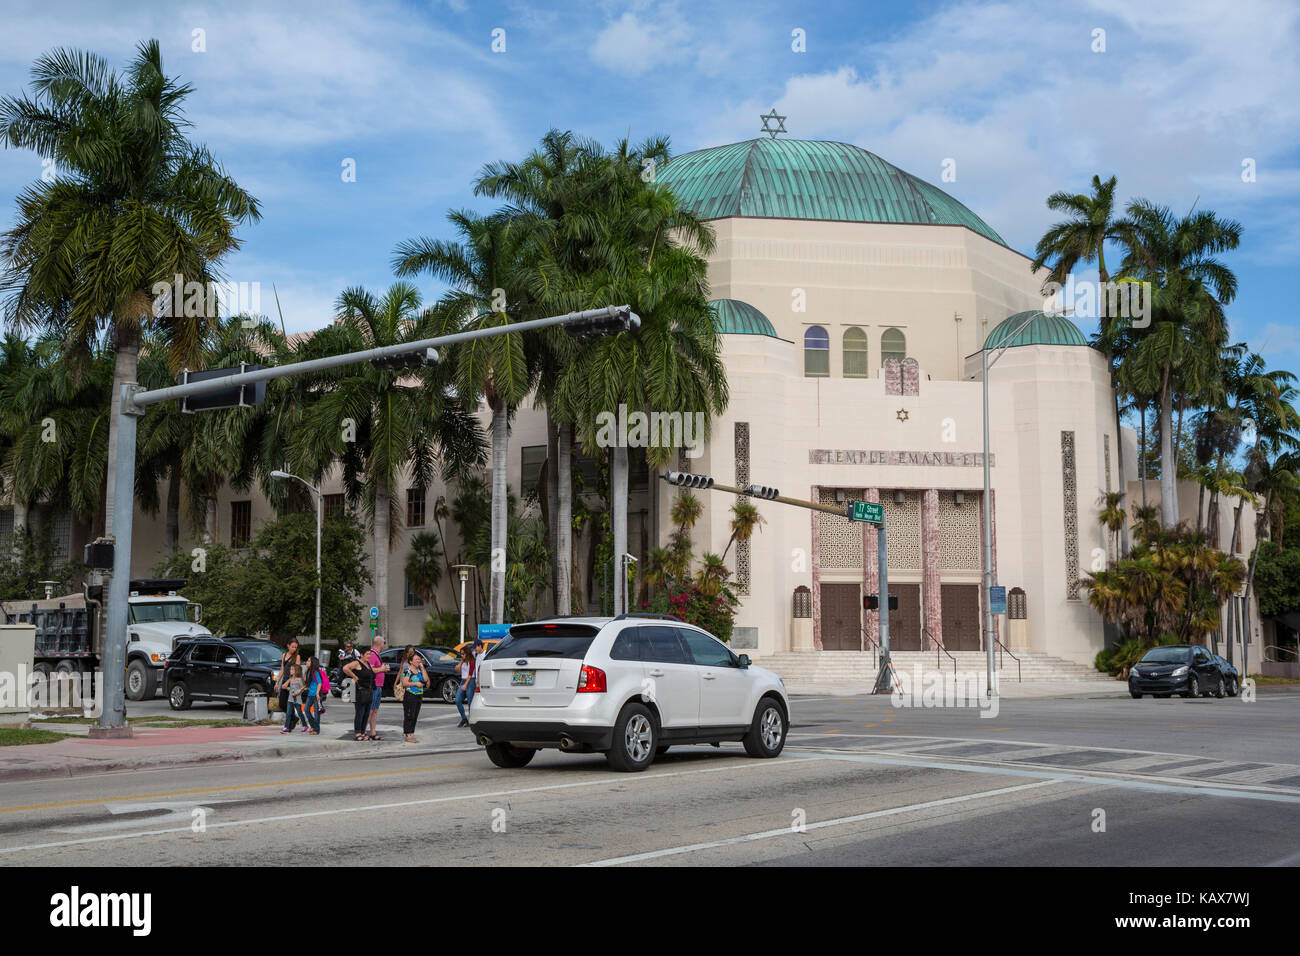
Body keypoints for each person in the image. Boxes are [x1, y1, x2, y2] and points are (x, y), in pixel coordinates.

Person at [399, 646, 429, 743]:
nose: (418, 661)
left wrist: (422, 668)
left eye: (419, 659)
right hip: (410, 695)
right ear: (411, 661)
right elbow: (404, 683)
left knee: (415, 715)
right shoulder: (407, 671)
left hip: (418, 695)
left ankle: (412, 732)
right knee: (409, 715)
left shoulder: (419, 671)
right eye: (416, 659)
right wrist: (415, 684)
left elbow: (425, 679)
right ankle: (408, 734)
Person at [342, 651, 374, 741]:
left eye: (370, 654)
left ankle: (363, 732)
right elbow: (345, 668)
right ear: (362, 655)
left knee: (366, 713)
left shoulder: (368, 664)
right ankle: (358, 732)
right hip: (359, 691)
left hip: (367, 691)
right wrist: (354, 676)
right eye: (367, 654)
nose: (369, 656)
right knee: (360, 712)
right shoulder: (357, 662)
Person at [366, 635, 389, 741]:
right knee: (370, 710)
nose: (384, 644)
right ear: (380, 643)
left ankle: (373, 732)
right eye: (384, 642)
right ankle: (363, 731)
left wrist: (383, 668)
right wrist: (382, 668)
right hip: (373, 686)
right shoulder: (372, 654)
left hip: (379, 686)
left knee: (375, 710)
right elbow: (370, 670)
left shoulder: (377, 654)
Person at [275, 639, 301, 722]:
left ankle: (290, 722)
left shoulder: (297, 657)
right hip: (284, 682)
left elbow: (296, 672)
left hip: (292, 683)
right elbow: (282, 670)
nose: (294, 649)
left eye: (295, 647)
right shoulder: (284, 655)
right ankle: (294, 718)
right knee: (282, 704)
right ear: (288, 646)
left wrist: (287, 682)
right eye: (292, 647)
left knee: (289, 703)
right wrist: (277, 682)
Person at [282, 664, 306, 734]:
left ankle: (305, 725)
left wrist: (298, 692)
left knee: (300, 713)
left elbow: (303, 688)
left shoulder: (299, 680)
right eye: (290, 669)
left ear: (296, 671)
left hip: (297, 700)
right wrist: (286, 687)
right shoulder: (291, 679)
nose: (290, 671)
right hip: (290, 699)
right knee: (288, 714)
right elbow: (290, 688)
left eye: (292, 669)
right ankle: (286, 727)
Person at [455, 647, 475, 728]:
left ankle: (472, 720)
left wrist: (466, 684)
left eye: (463, 654)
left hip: (470, 681)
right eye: (461, 654)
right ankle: (464, 718)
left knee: (470, 702)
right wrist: (461, 662)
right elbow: (457, 669)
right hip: (463, 681)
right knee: (457, 700)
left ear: (467, 653)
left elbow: (470, 674)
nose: (461, 655)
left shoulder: (472, 661)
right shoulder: (463, 661)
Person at [302, 656, 323, 736]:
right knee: (307, 710)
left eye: (308, 661)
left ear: (312, 663)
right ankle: (314, 726)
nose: (306, 662)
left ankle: (316, 730)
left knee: (317, 713)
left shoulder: (315, 672)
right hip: (310, 694)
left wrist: (317, 693)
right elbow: (307, 684)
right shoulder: (309, 672)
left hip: (316, 695)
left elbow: (319, 683)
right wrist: (300, 689)